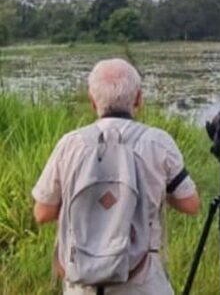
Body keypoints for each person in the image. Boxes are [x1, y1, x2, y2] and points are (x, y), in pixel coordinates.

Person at [32, 58, 201, 295]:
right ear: (138, 98)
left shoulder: (70, 144)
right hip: (143, 282)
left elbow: (42, 213)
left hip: (82, 282)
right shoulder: (158, 142)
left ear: (92, 101)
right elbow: (191, 205)